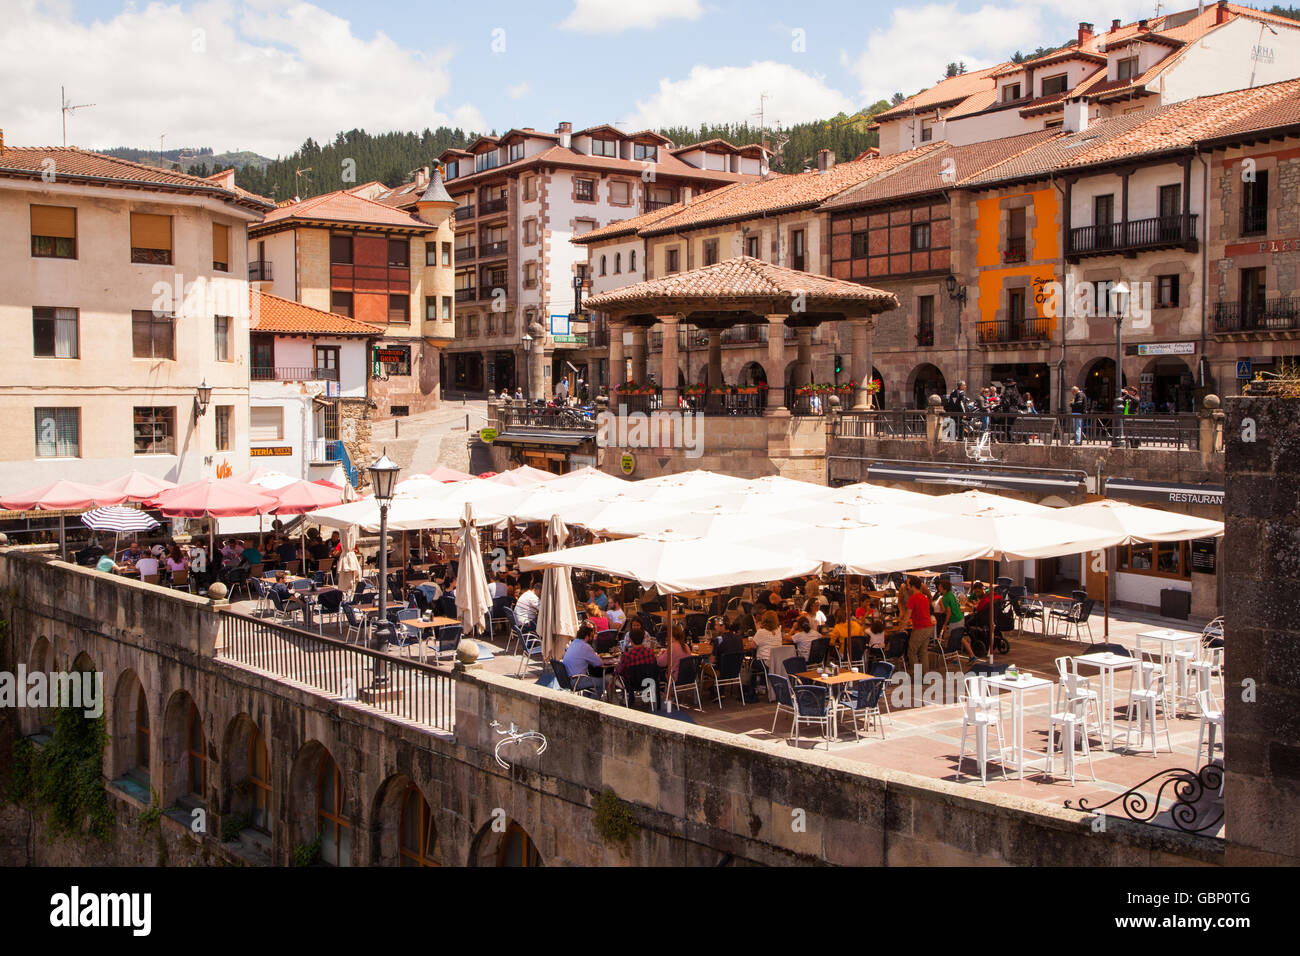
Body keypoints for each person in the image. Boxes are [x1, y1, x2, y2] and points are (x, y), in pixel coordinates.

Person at [562, 622, 607, 697]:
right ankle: (593, 704)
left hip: (567, 679)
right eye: (591, 636)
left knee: (590, 680)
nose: (592, 638)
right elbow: (599, 663)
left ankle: (587, 700)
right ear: (587, 636)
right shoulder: (585, 647)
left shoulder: (573, 643)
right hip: (576, 680)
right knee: (602, 683)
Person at [905, 575, 934, 674]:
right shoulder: (924, 597)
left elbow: (907, 615)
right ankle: (925, 676)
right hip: (928, 627)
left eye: (908, 585)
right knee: (923, 652)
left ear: (913, 586)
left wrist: (901, 627)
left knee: (911, 652)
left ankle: (918, 676)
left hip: (920, 628)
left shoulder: (913, 598)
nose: (907, 587)